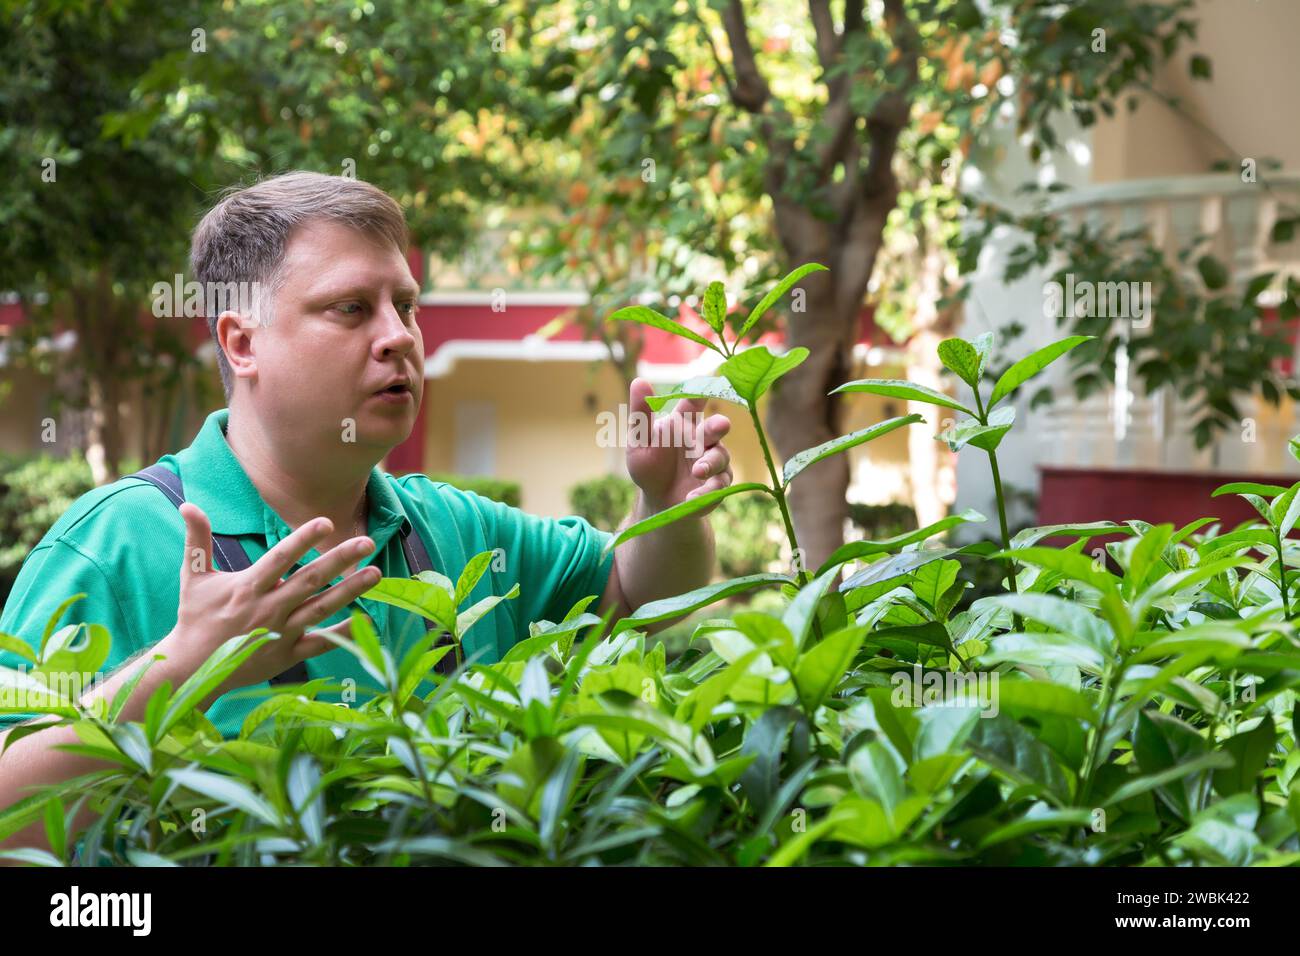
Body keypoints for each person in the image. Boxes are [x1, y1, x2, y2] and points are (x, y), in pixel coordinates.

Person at [0, 171, 733, 856]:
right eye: (351, 308)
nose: (400, 336)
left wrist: (667, 510)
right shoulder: (112, 543)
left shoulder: (457, 529)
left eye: (405, 305)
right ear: (242, 341)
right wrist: (186, 666)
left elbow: (638, 596)